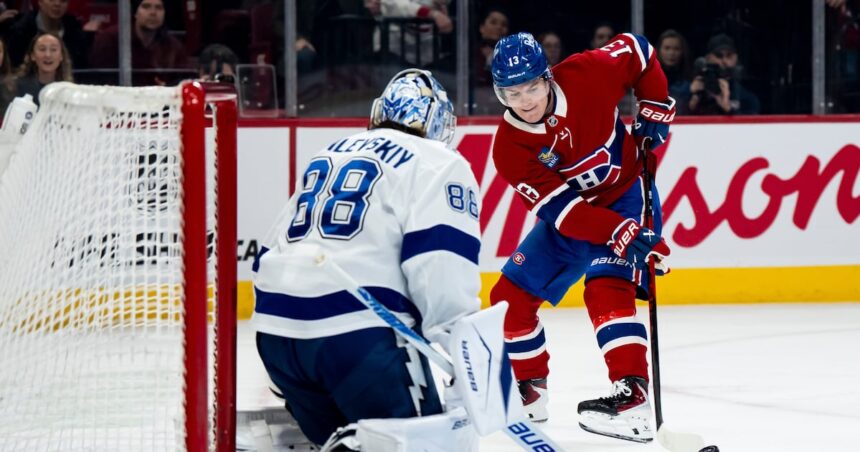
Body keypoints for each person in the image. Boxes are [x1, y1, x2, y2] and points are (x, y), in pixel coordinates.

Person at [251, 69, 482, 450]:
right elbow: (441, 261)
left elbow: (267, 254)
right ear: (437, 120)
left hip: (278, 338)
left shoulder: (330, 152)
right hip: (359, 339)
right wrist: (468, 354)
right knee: (426, 446)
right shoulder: (438, 161)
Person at [488, 32, 673, 443]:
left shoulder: (588, 73)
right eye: (512, 93)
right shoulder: (509, 149)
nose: (525, 101)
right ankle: (529, 394)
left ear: (547, 77)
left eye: (531, 87)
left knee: (606, 287)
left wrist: (655, 103)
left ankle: (633, 398)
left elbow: (640, 51)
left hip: (627, 196)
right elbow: (566, 213)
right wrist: (615, 231)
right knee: (508, 300)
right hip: (575, 219)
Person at [88, 0, 188, 85]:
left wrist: (167, 89)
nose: (153, 13)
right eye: (146, 6)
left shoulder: (173, 46)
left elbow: (183, 80)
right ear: (135, 12)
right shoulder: (109, 39)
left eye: (158, 8)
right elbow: (99, 80)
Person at [688, 33, 760, 115]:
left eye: (729, 55)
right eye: (719, 56)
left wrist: (728, 108)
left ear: (736, 58)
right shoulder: (692, 89)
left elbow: (751, 122)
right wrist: (692, 98)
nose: (724, 61)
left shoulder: (747, 99)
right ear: (708, 58)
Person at [13, 31, 72, 105]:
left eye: (53, 49)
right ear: (33, 56)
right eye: (42, 49)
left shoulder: (70, 90)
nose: (48, 55)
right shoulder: (16, 87)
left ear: (61, 56)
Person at [656, 29, 692, 114]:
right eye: (667, 48)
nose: (671, 53)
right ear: (659, 50)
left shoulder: (690, 77)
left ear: (683, 51)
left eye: (676, 49)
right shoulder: (649, 76)